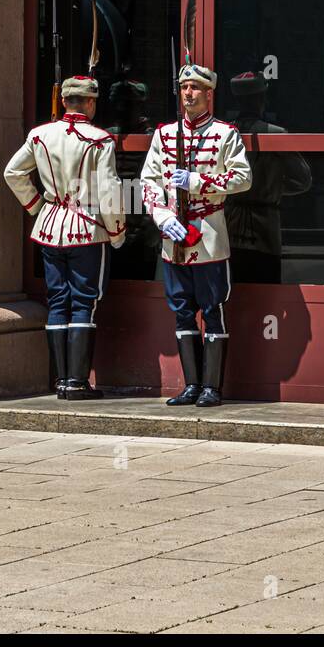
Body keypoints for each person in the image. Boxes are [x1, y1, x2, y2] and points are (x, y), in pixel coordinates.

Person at [4, 74, 125, 400]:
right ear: (90, 103)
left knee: (58, 301)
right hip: (87, 228)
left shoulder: (40, 135)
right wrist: (117, 231)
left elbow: (12, 172)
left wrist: (37, 205)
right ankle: (77, 382)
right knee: (85, 303)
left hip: (49, 226)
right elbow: (110, 191)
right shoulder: (100, 140)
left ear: (64, 101)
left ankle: (62, 382)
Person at [141, 63, 252, 408]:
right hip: (173, 235)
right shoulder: (164, 134)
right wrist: (160, 215)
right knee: (182, 310)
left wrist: (199, 182)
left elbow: (242, 178)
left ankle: (211, 387)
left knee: (213, 307)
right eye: (183, 87)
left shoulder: (225, 133)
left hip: (208, 234)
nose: (187, 93)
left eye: (194, 88)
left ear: (208, 94)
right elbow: (148, 180)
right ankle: (191, 385)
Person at [225, 70, 312, 284]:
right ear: (262, 98)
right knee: (267, 291)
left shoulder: (225, 132)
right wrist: (272, 186)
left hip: (229, 222)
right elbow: (303, 179)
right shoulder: (276, 133)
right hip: (264, 226)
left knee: (233, 292)